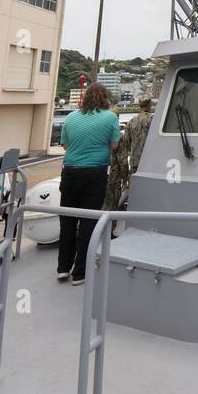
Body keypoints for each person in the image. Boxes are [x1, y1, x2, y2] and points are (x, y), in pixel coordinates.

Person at [57, 82, 120, 285]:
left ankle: (62, 268)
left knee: (67, 221)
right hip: (95, 174)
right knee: (88, 222)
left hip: (70, 173)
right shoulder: (110, 117)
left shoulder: (71, 117)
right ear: (104, 98)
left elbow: (65, 145)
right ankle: (79, 272)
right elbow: (113, 145)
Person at [107, 98, 154, 236]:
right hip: (149, 161)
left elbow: (126, 143)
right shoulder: (152, 120)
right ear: (149, 105)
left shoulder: (131, 122)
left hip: (134, 161)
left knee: (133, 192)